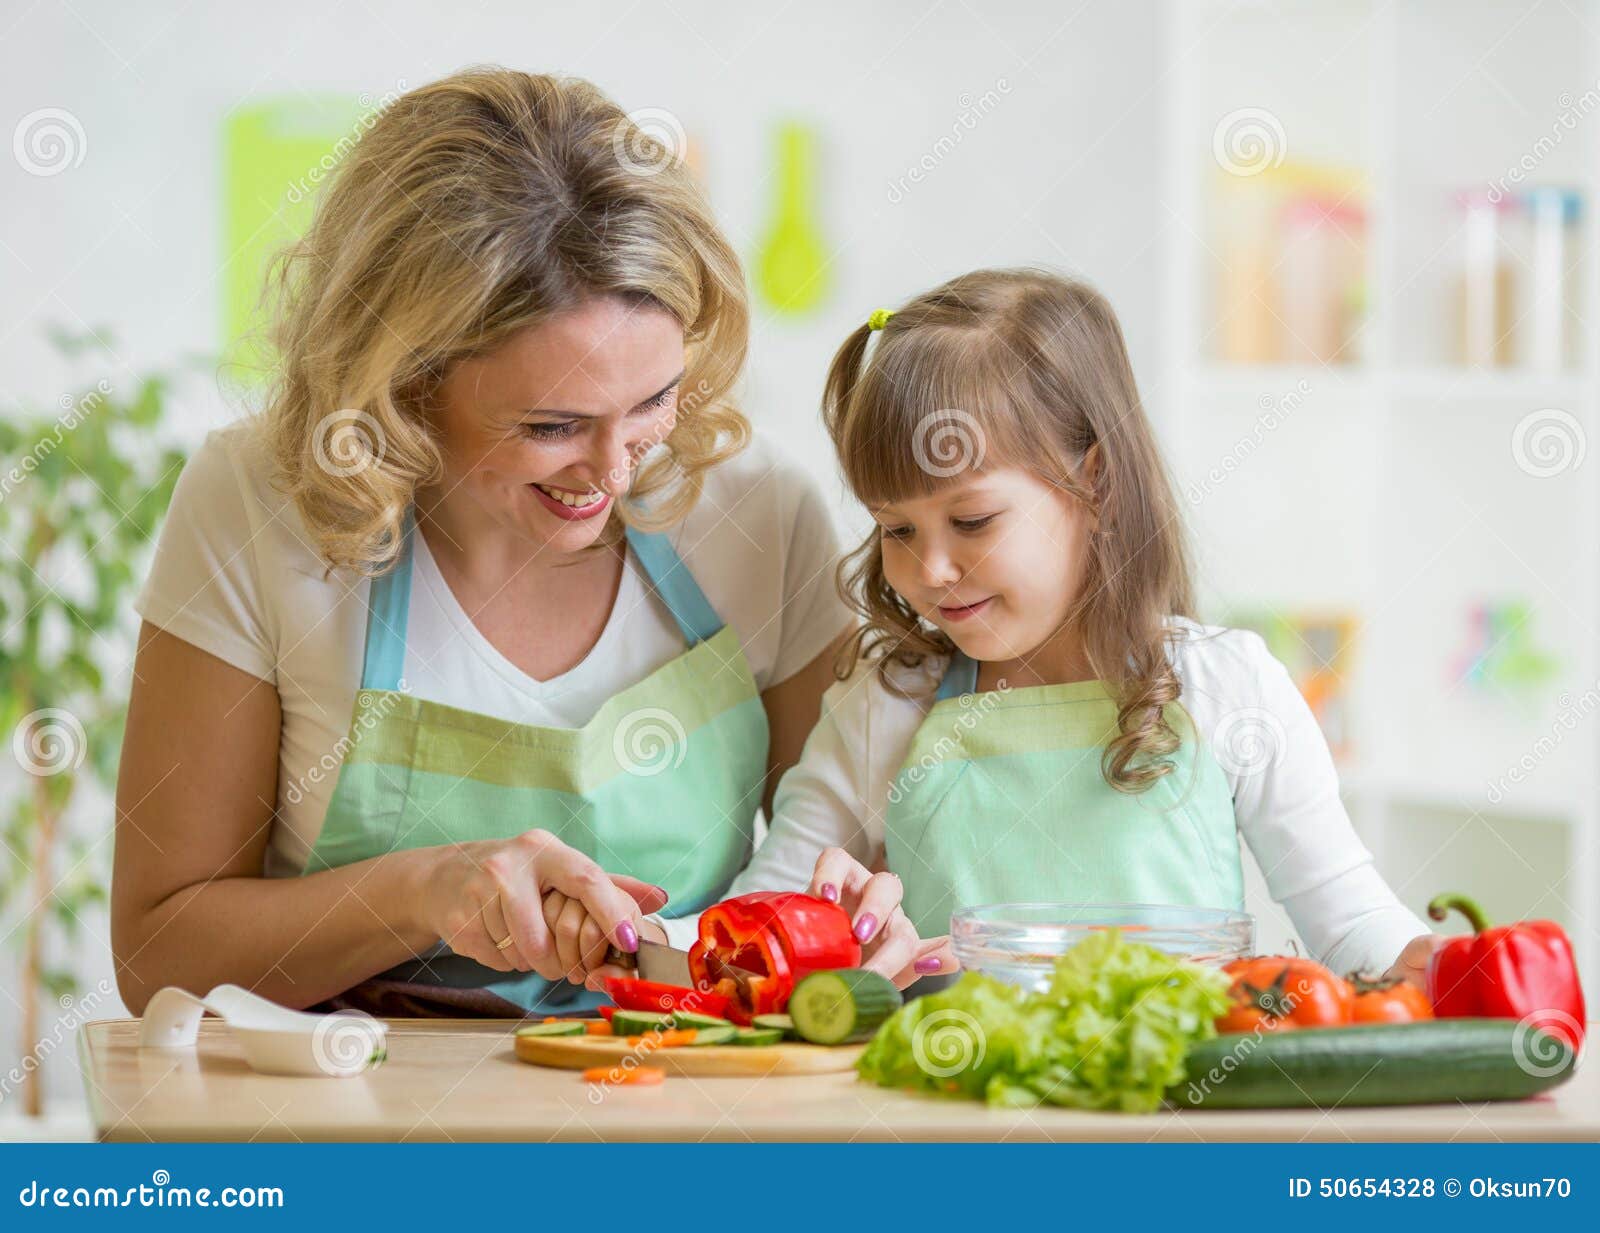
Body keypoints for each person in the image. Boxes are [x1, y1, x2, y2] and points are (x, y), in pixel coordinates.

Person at [111, 68, 848, 1017]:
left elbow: (836, 845)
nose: (615, 471)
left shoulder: (760, 511)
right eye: (551, 426)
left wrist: (860, 914)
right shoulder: (259, 505)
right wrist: (427, 892)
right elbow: (159, 954)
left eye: (653, 402)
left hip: (679, 1102)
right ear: (404, 384)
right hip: (348, 1117)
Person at [722, 269, 1442, 988]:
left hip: (1179, 1100)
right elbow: (762, 910)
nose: (932, 567)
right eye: (897, 528)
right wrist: (790, 930)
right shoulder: (887, 704)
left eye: (972, 521)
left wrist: (1432, 966)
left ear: (1093, 483)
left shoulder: (1225, 684)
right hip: (949, 1096)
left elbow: (1351, 925)